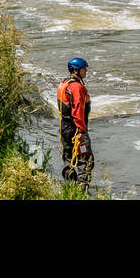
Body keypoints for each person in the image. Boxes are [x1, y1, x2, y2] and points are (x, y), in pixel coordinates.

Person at [57, 58, 93, 191]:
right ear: (76, 70)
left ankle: (70, 187)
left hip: (64, 126)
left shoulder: (63, 84)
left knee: (68, 157)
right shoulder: (77, 87)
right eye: (84, 68)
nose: (86, 71)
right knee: (85, 158)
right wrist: (81, 131)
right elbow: (77, 110)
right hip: (75, 128)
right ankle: (82, 189)